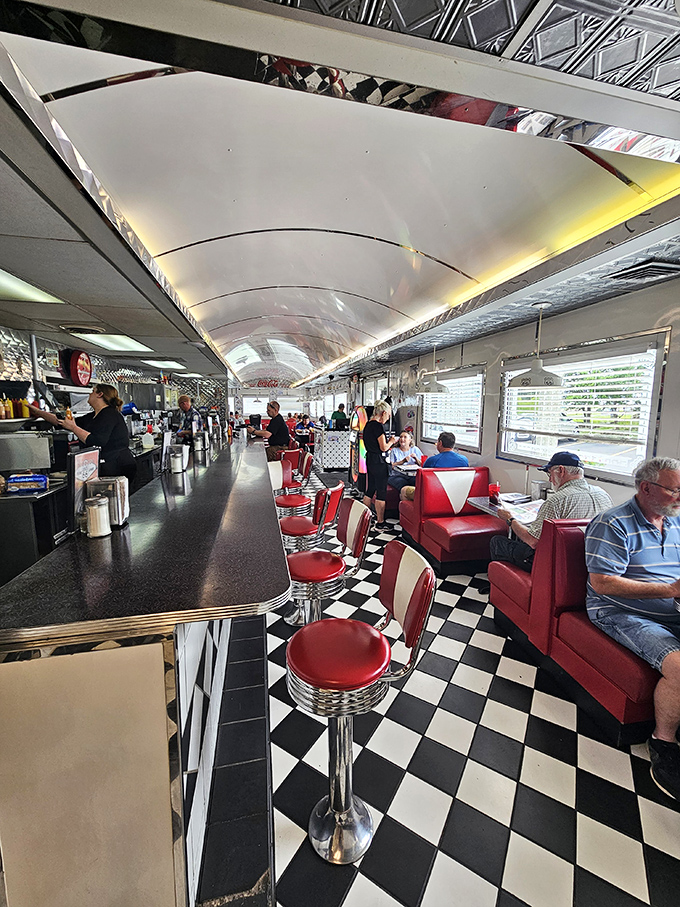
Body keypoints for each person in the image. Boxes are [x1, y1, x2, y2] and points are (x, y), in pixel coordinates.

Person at [585, 457, 680, 801]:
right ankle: (663, 742)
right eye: (674, 490)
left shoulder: (676, 521)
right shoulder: (613, 523)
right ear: (646, 488)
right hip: (618, 611)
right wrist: (670, 591)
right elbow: (603, 583)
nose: (679, 497)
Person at [492, 451, 612, 572]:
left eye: (549, 473)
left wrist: (510, 519)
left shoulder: (556, 500)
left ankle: (505, 583)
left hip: (556, 563)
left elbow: (533, 541)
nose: (550, 479)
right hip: (589, 560)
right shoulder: (603, 494)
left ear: (561, 470)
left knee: (497, 542)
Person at [28, 384, 137, 481]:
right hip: (109, 464)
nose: (90, 394)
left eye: (93, 391)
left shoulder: (109, 414)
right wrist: (37, 412)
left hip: (117, 465)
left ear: (100, 394)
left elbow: (97, 440)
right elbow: (61, 422)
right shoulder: (93, 416)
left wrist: (73, 428)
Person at [362, 399, 398, 530]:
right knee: (381, 492)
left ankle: (366, 519)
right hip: (379, 461)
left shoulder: (367, 425)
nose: (388, 418)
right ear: (383, 413)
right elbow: (383, 447)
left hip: (370, 459)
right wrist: (392, 442)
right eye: (388, 415)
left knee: (370, 489)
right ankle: (380, 522)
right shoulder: (378, 427)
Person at [400, 432, 469, 501]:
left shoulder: (432, 460)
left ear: (440, 443)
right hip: (457, 494)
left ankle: (415, 510)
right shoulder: (464, 460)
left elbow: (422, 480)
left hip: (435, 494)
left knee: (404, 490)